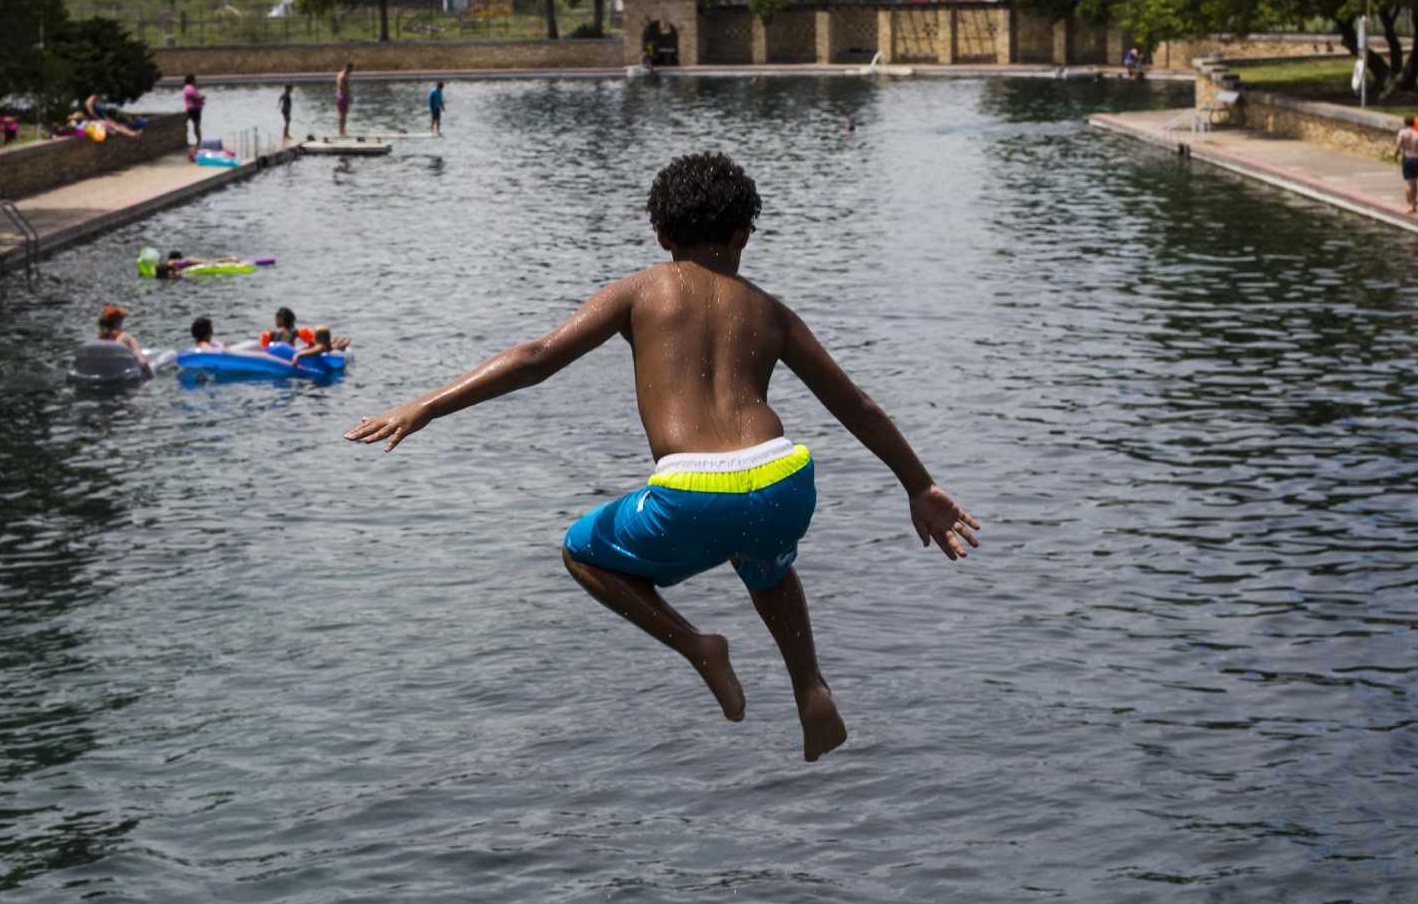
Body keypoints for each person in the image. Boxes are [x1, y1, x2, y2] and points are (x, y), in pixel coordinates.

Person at [347, 151, 980, 762]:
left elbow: (536, 357)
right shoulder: (770, 311)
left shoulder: (642, 291)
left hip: (694, 490)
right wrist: (918, 486)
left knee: (579, 550)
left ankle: (699, 647)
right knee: (765, 562)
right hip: (785, 478)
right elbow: (859, 407)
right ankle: (810, 688)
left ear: (658, 232)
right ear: (743, 234)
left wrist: (426, 405)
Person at [95, 304, 151, 376]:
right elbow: (142, 361)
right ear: (119, 321)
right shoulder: (125, 337)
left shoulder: (99, 339)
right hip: (119, 376)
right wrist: (150, 377)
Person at [1393, 114, 1418, 215]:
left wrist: (1395, 155)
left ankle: (1409, 200)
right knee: (1415, 182)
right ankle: (1413, 205)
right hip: (1417, 159)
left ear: (1405, 123)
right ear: (1414, 123)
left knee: (1408, 182)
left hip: (1407, 158)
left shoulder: (1402, 133)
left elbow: (1398, 145)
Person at [183, 74, 206, 147]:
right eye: (194, 79)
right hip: (193, 109)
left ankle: (198, 141)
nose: (196, 81)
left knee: (196, 126)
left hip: (194, 109)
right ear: (191, 80)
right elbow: (194, 96)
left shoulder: (190, 87)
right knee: (196, 126)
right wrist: (201, 97)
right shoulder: (189, 87)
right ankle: (199, 142)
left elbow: (195, 96)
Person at [335, 62, 353, 138]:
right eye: (351, 69)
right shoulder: (343, 76)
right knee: (342, 115)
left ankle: (342, 130)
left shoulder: (341, 74)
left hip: (340, 95)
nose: (351, 71)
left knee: (343, 114)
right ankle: (341, 132)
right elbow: (342, 87)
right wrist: (349, 96)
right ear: (348, 68)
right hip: (343, 96)